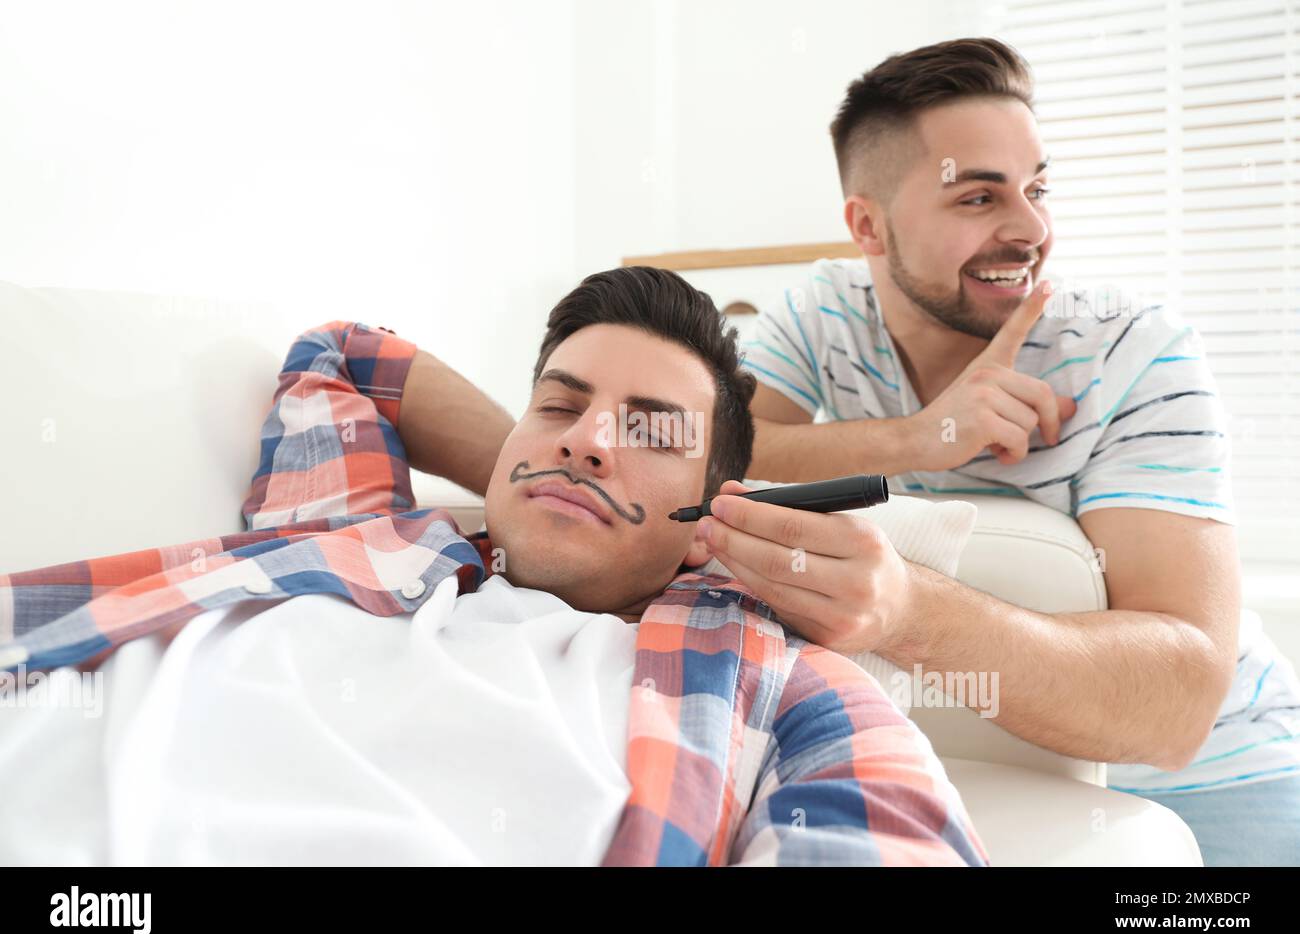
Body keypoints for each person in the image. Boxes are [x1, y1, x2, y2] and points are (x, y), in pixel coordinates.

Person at [0, 265, 987, 867]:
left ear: (711, 511)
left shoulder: (767, 682)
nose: (588, 438)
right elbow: (344, 356)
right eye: (558, 406)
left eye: (646, 431)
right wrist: (542, 477)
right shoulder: (361, 534)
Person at [735, 36, 1300, 865]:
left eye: (1038, 190)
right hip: (964, 762)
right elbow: (718, 454)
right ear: (868, 226)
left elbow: (1176, 709)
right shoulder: (825, 312)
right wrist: (921, 438)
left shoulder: (1134, 352)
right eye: (979, 199)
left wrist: (909, 609)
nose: (1032, 228)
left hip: (1210, 781)